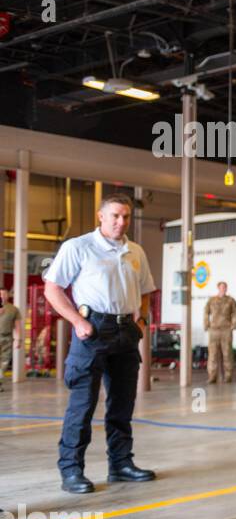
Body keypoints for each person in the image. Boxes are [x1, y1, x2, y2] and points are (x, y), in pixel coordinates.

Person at [42, 193, 157, 494]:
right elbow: (52, 288)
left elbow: (145, 290)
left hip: (125, 332)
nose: (121, 222)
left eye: (126, 217)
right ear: (100, 216)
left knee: (121, 405)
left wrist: (141, 321)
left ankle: (120, 464)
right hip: (93, 331)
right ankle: (71, 471)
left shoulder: (136, 251)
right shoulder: (78, 247)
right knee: (82, 406)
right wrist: (78, 322)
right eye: (116, 215)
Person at [203, 281, 236, 384]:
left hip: (226, 330)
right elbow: (206, 312)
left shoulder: (230, 301)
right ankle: (212, 376)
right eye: (221, 287)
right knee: (213, 354)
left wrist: (234, 325)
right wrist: (206, 324)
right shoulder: (212, 300)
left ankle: (228, 376)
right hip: (214, 330)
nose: (223, 289)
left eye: (225, 287)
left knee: (227, 353)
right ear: (218, 288)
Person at [0, 287, 19, 391]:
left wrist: (18, 339)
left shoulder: (13, 309)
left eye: (4, 294)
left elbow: (17, 326)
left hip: (6, 338)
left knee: (4, 362)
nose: (2, 296)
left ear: (8, 295)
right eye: (0, 294)